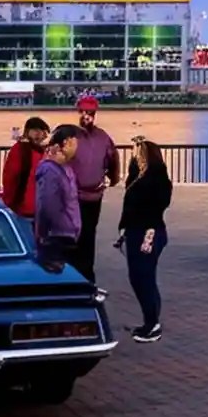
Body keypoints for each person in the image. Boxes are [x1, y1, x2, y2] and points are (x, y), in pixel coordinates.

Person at [117, 136, 173, 343]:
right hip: (138, 231)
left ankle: (153, 324)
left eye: (138, 154)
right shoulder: (140, 178)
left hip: (148, 231)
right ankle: (150, 321)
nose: (135, 158)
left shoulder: (154, 180)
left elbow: (156, 204)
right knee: (142, 277)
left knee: (143, 278)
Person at [70, 96, 120, 283]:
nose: (86, 116)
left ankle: (86, 275)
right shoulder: (70, 135)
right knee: (74, 234)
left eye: (89, 113)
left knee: (88, 235)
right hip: (73, 196)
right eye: (83, 112)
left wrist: (112, 179)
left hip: (93, 197)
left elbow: (113, 159)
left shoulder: (103, 137)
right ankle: (75, 273)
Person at [33, 125, 81, 273]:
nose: (77, 148)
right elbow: (47, 205)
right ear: (66, 143)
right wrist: (44, 234)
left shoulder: (65, 168)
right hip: (56, 238)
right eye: (75, 143)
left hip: (66, 235)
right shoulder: (50, 171)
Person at [0, 116, 49, 223]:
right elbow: (11, 177)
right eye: (37, 131)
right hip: (25, 207)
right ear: (28, 132)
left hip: (33, 207)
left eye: (42, 132)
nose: (40, 135)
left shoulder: (38, 151)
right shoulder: (22, 151)